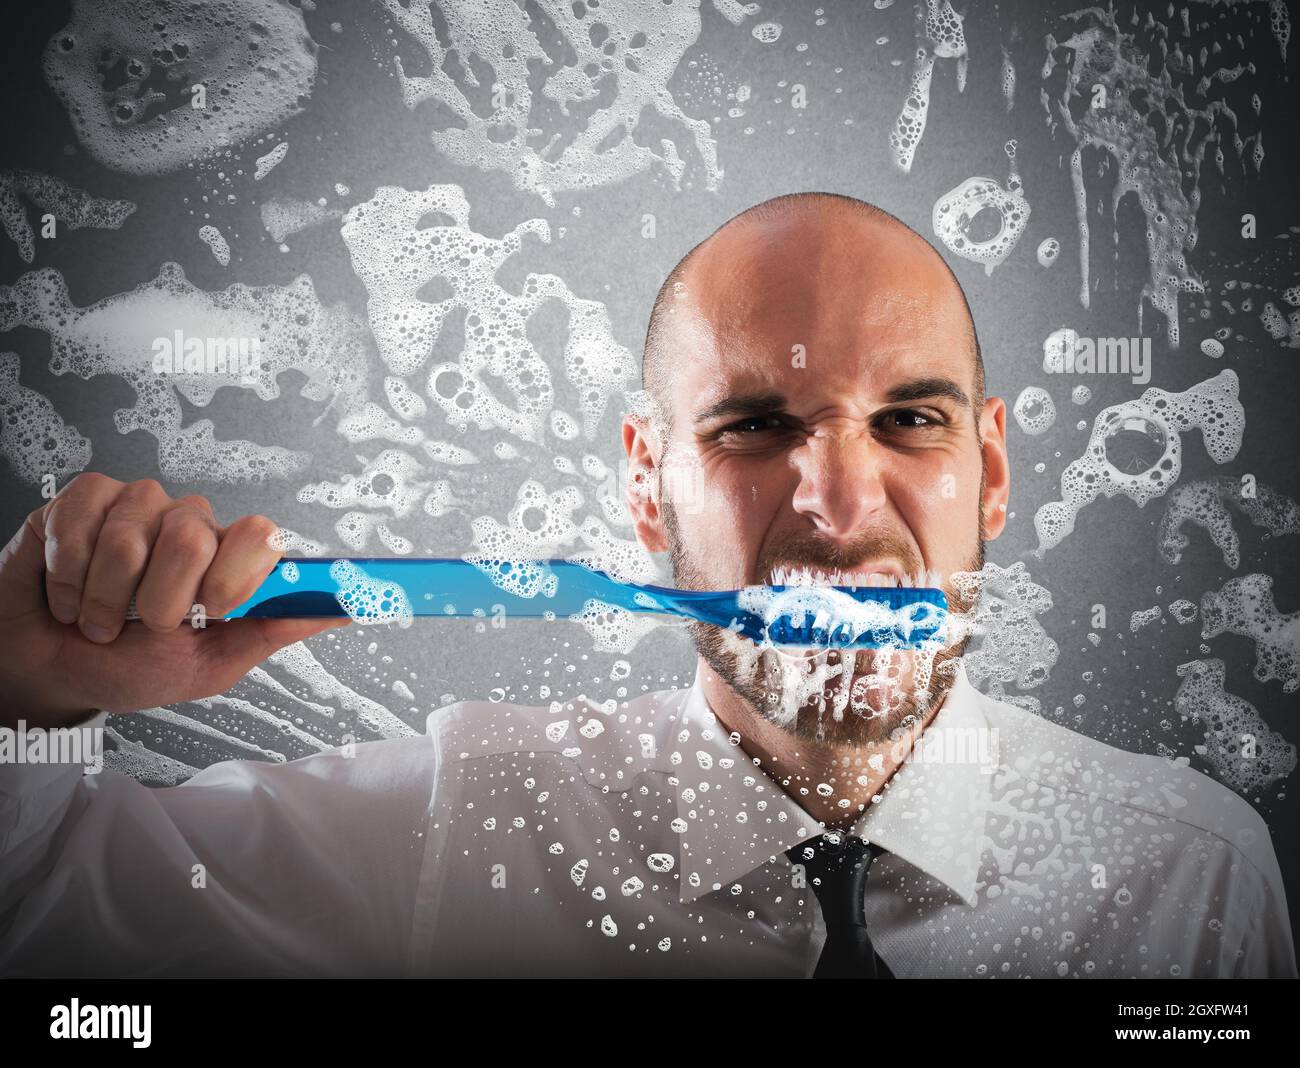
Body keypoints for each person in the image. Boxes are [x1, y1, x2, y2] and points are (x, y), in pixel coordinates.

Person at [0, 193, 1293, 978]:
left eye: (910, 423)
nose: (840, 511)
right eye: (751, 428)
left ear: (993, 474)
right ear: (642, 484)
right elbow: (37, 920)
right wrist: (28, 700)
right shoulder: (454, 834)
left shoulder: (1193, 885)